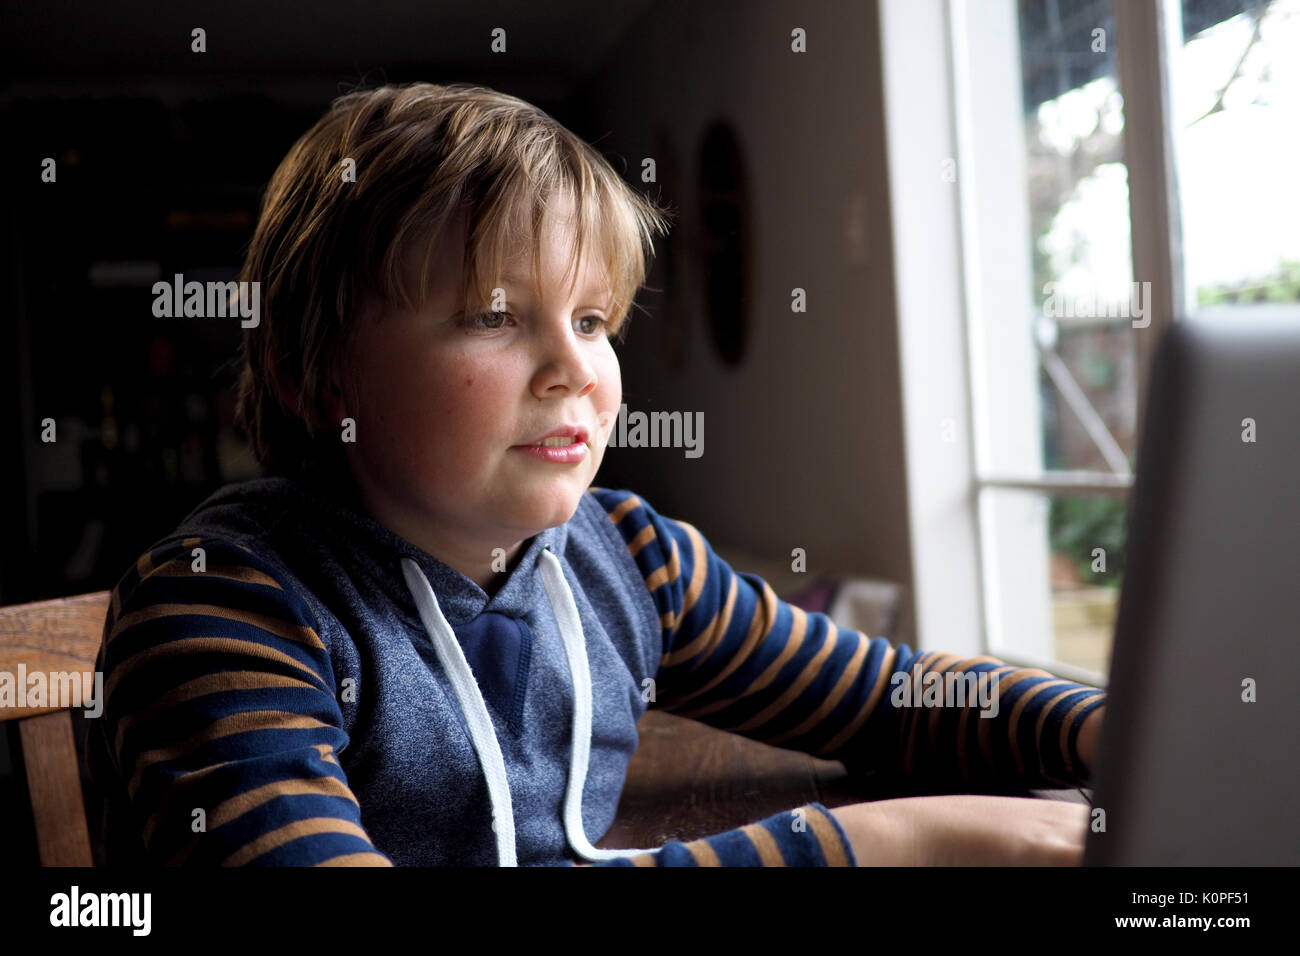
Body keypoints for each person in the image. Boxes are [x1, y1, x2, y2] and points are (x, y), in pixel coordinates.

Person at [86, 82, 1106, 867]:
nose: (574, 367)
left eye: (591, 319)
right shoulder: (221, 607)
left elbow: (894, 697)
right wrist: (888, 842)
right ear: (316, 372)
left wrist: (1117, 732)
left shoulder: (629, 560)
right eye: (495, 315)